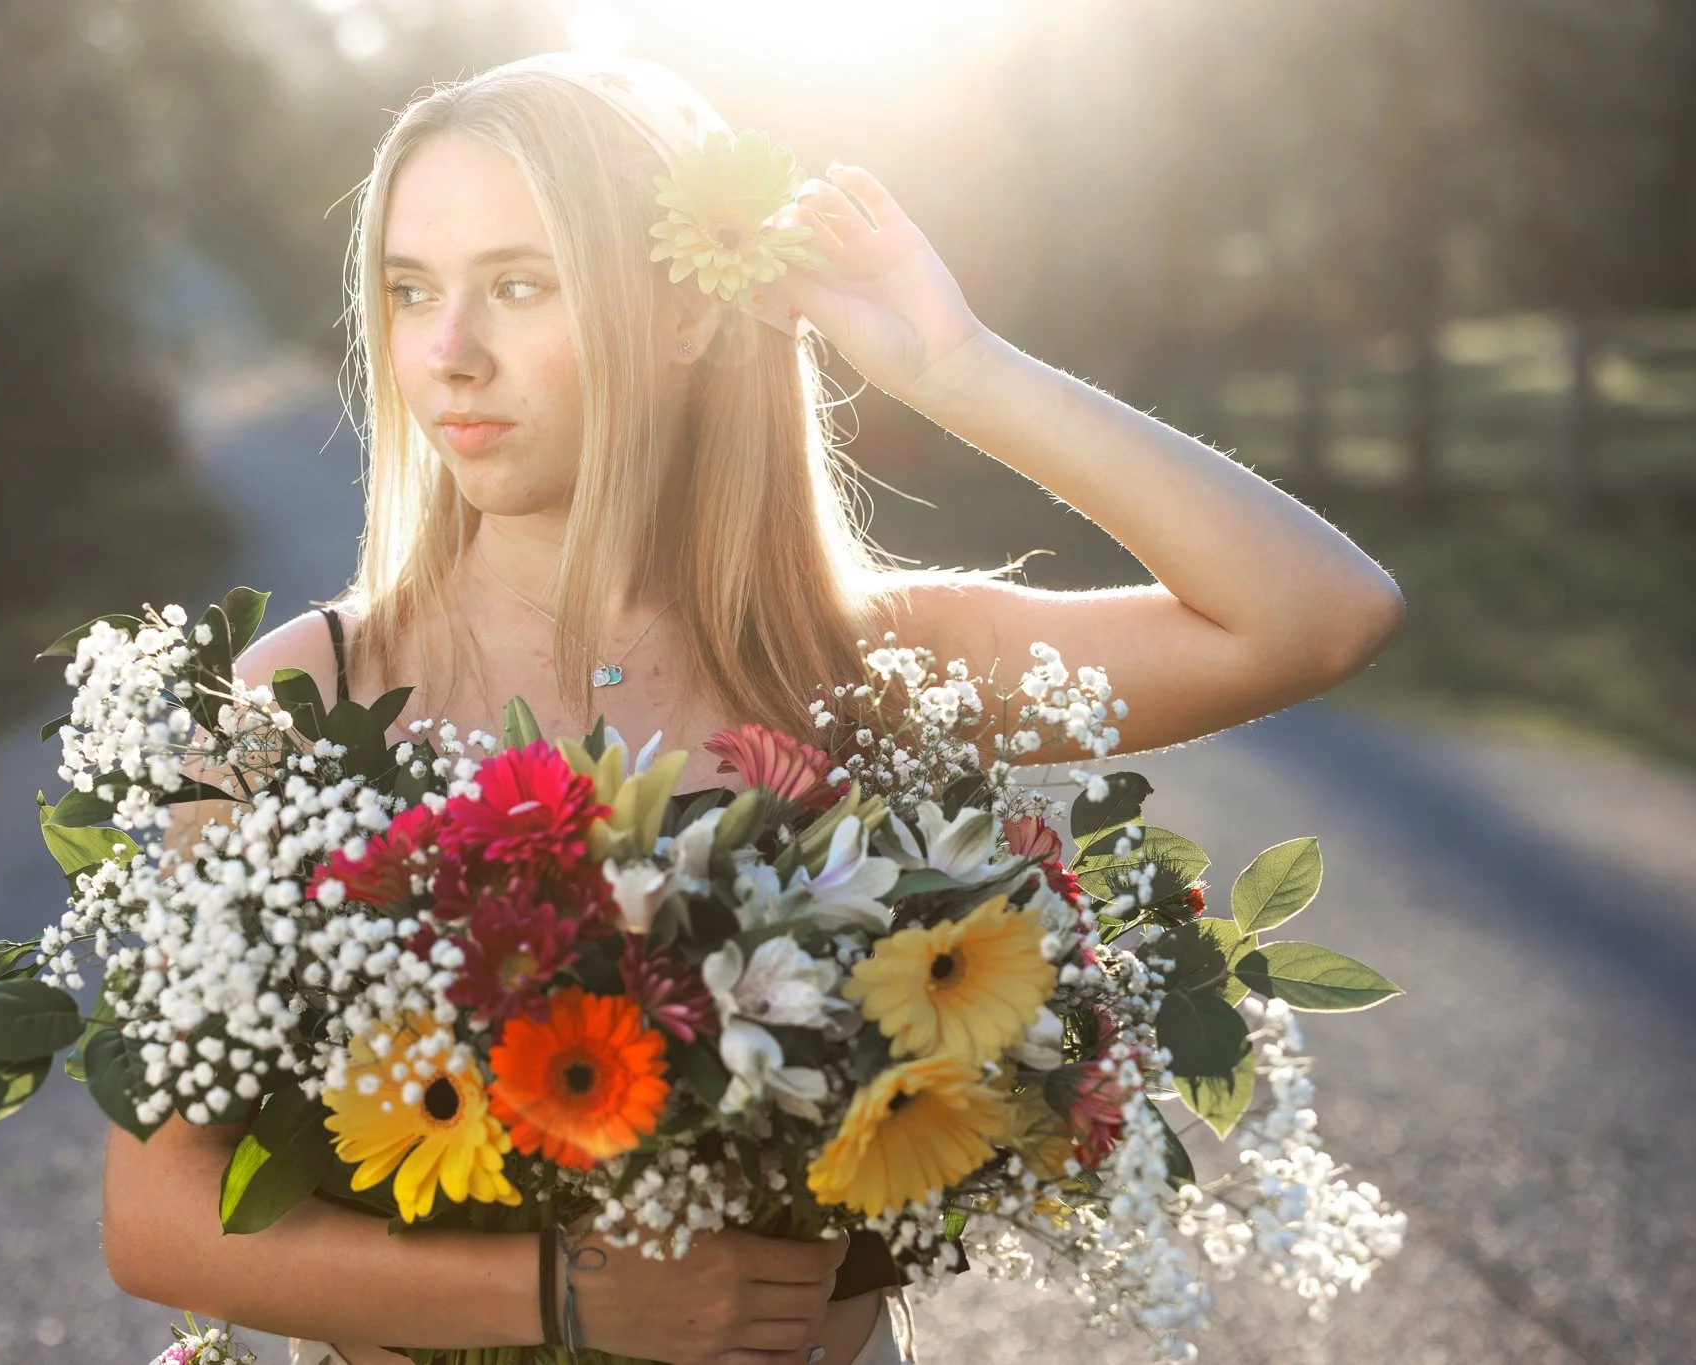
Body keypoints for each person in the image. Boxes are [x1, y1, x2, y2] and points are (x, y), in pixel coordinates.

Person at [98, 51, 1405, 1365]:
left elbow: (1319, 615)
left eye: (518, 285)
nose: (449, 355)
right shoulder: (303, 699)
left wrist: (954, 367)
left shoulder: (875, 667)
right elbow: (159, 1218)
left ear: (687, 315)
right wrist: (560, 1298)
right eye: (410, 291)